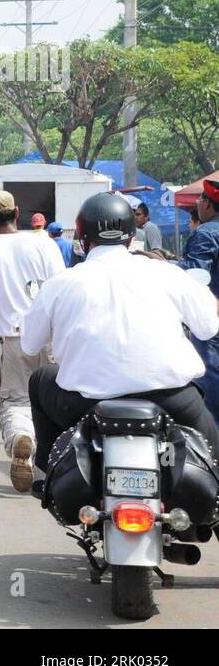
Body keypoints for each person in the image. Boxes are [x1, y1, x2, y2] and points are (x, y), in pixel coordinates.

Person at [23, 192, 219, 473]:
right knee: (211, 463)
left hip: (83, 403)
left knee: (40, 378)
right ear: (131, 237)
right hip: (171, 400)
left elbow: (30, 345)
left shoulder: (60, 283)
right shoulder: (167, 273)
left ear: (82, 239)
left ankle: (47, 470)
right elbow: (209, 327)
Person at [0, 190, 66, 494]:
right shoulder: (44, 243)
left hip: (16, 338)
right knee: (59, 399)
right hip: (54, 335)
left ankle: (22, 437)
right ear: (16, 212)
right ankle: (52, 467)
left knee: (17, 402)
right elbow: (62, 288)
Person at [171, 179, 219, 420]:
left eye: (201, 200)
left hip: (212, 317)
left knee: (210, 377)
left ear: (208, 205)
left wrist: (167, 266)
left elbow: (195, 275)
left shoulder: (206, 232)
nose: (198, 203)